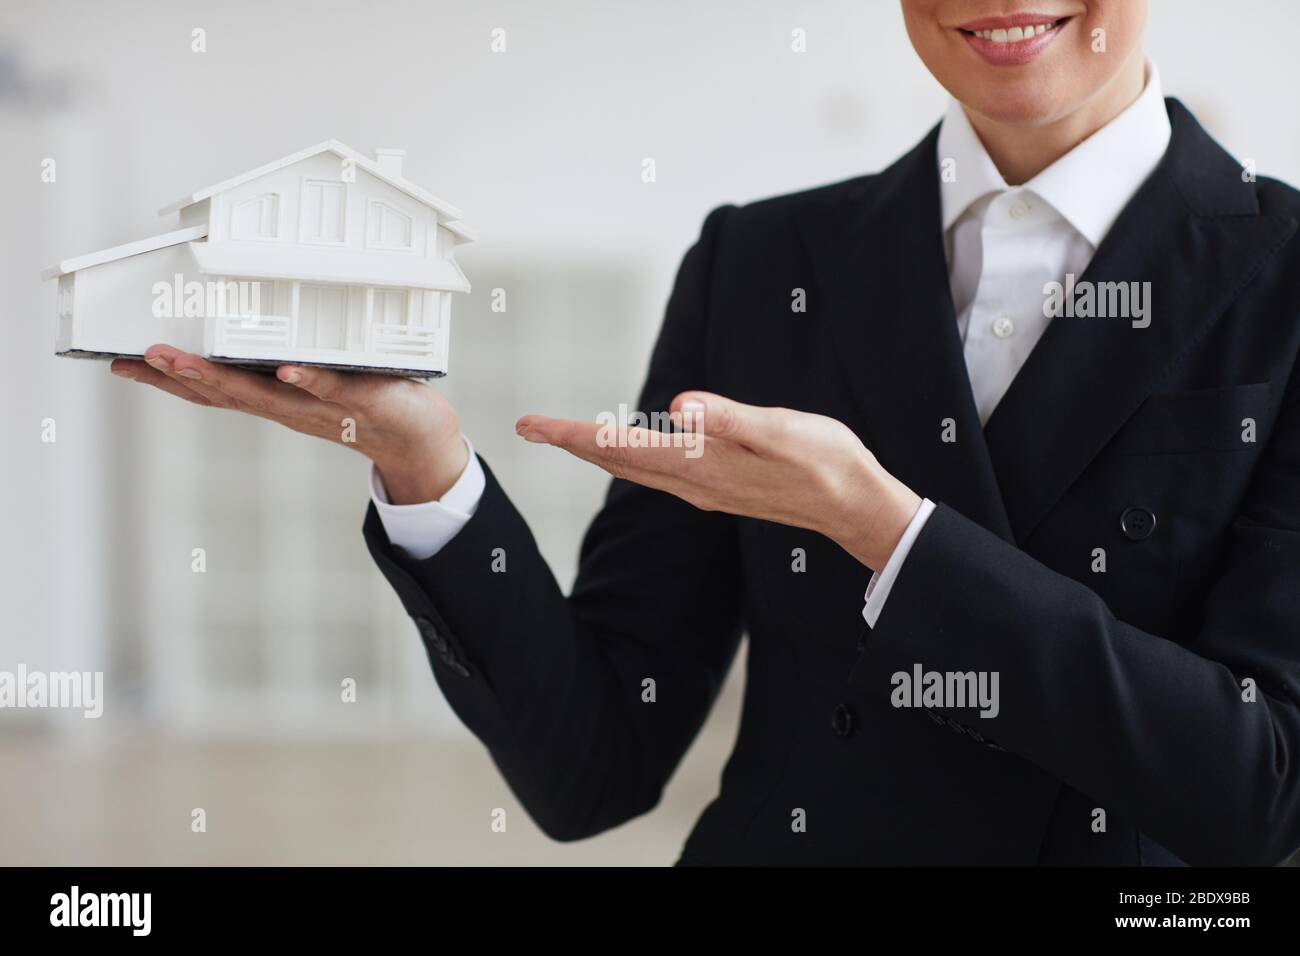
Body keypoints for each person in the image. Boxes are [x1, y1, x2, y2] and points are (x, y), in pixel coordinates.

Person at [111, 0, 1300, 865]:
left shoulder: (1284, 275)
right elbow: (594, 763)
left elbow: (1263, 791)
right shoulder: (762, 261)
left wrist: (880, 526)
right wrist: (422, 466)